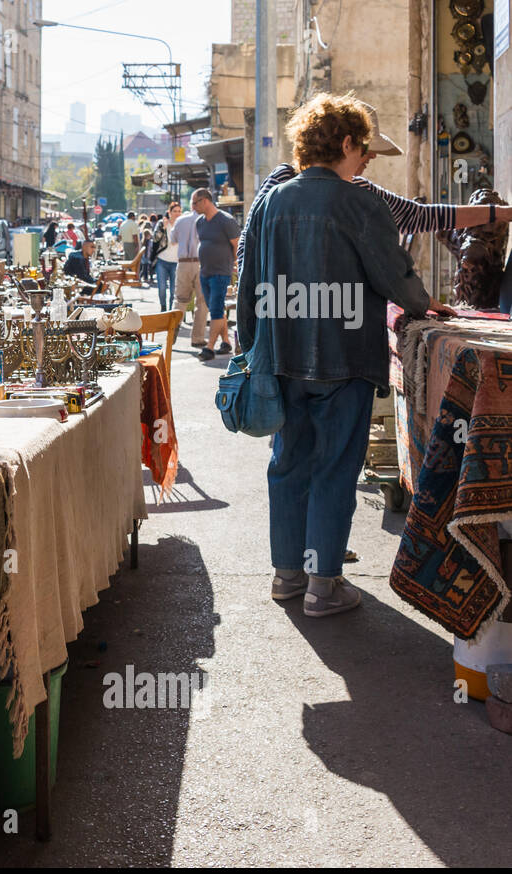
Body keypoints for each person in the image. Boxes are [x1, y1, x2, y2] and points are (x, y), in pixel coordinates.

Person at [239, 92, 455, 617]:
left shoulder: (272, 199)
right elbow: (392, 271)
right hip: (344, 359)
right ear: (345, 142)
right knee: (335, 470)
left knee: (288, 465)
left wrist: (251, 349)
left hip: (284, 356)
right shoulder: (358, 201)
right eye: (365, 151)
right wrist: (425, 304)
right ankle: (323, 585)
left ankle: (288, 577)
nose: (369, 161)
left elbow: (248, 281)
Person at [238, 101, 512, 275]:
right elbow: (246, 255)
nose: (373, 157)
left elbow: (420, 216)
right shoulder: (283, 181)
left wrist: (498, 213)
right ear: (347, 145)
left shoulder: (362, 191)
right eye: (367, 149)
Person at [190, 188, 241, 359]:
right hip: (205, 272)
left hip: (221, 272)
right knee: (214, 308)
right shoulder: (200, 222)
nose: (193, 207)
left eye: (195, 203)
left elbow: (237, 246)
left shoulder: (226, 221)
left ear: (205, 200)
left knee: (217, 310)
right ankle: (226, 341)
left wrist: (236, 267)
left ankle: (210, 347)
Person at [170, 202, 207, 345]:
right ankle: (197, 338)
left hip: (184, 262)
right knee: (202, 302)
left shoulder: (180, 220)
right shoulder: (205, 220)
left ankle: (172, 332)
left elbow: (173, 241)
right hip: (201, 263)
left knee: (180, 300)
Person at [153, 203, 179, 311]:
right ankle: (163, 308)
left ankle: (171, 311)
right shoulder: (162, 223)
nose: (177, 214)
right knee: (162, 288)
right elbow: (155, 239)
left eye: (179, 211)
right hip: (162, 261)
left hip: (177, 262)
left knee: (174, 290)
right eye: (175, 211)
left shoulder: (181, 224)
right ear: (169, 212)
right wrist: (163, 228)